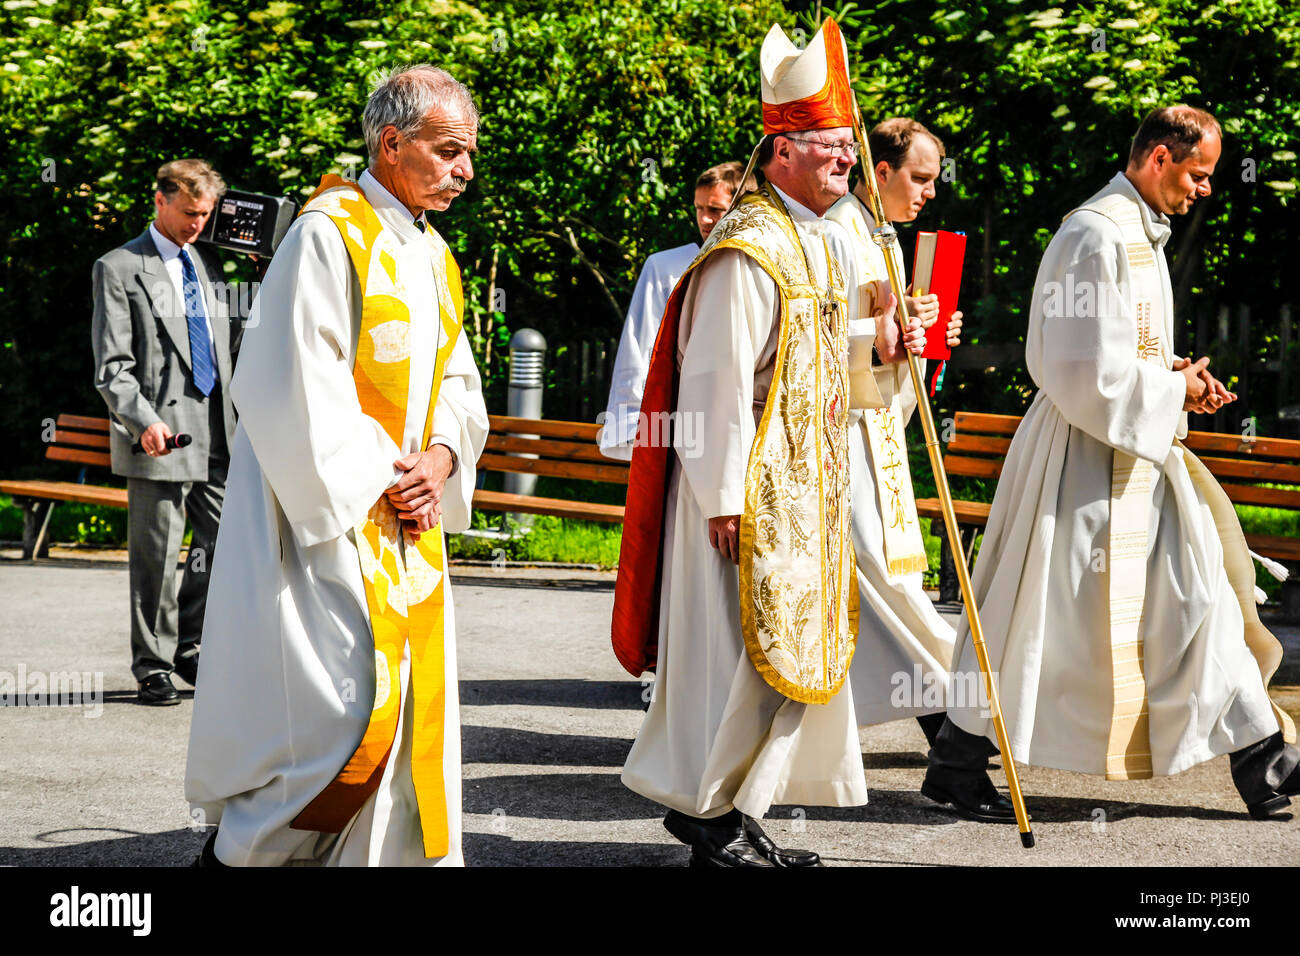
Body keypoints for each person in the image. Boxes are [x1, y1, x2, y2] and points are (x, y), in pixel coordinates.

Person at [922, 105, 1299, 823]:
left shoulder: (1140, 232)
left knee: (1201, 596)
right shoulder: (1094, 233)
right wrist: (1171, 390)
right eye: (1198, 173)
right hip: (1082, 458)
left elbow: (1124, 353)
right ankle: (957, 762)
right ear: (1159, 157)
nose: (1205, 189)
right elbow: (1074, 367)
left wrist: (1179, 376)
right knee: (1026, 615)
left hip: (1136, 452)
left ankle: (1263, 758)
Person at [611, 18, 925, 867]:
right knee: (737, 663)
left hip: (803, 490)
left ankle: (732, 810)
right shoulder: (749, 249)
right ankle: (710, 821)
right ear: (781, 150)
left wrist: (882, 346)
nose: (847, 162)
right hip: (745, 498)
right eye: (829, 148)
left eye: (848, 150)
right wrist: (722, 500)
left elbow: (817, 359)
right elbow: (713, 381)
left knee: (783, 660)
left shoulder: (815, 241)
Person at [185, 64, 489, 866]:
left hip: (405, 525)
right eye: (450, 150)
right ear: (392, 145)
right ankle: (238, 857)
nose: (466, 170)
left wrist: (445, 455)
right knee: (332, 721)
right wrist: (392, 474)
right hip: (326, 527)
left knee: (405, 709)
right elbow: (291, 386)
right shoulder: (327, 233)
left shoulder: (430, 252)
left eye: (469, 152)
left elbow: (458, 380)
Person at [826, 119, 964, 745]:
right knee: (882, 576)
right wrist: (888, 337)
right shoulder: (836, 231)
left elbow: (888, 348)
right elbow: (820, 345)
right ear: (880, 173)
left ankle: (950, 721)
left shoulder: (881, 235)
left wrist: (928, 342)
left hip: (877, 434)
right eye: (921, 177)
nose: (931, 191)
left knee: (890, 577)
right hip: (842, 438)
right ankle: (955, 718)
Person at [91, 159, 238, 706]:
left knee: (221, 543)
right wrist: (142, 419)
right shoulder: (119, 267)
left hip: (217, 431)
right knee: (156, 553)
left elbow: (228, 348)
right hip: (161, 431)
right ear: (160, 201)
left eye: (205, 214)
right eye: (188, 212)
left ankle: (191, 645)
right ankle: (152, 663)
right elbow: (112, 367)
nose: (197, 223)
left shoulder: (212, 264)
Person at [598, 162, 755, 460]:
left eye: (715, 209)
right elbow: (639, 349)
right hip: (678, 430)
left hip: (743, 430)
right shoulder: (666, 268)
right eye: (699, 208)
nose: (705, 219)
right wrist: (635, 427)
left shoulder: (761, 271)